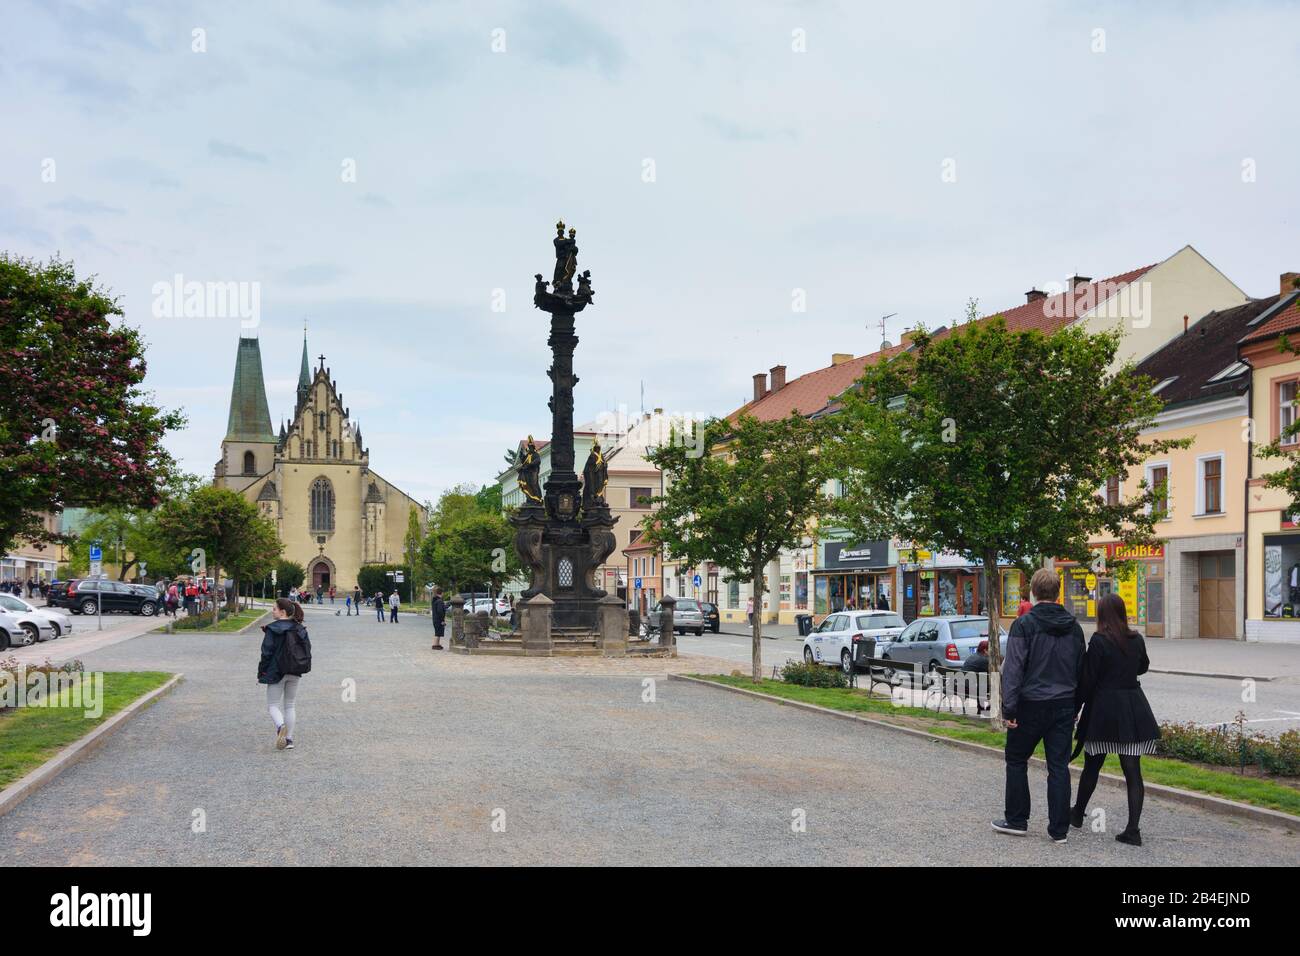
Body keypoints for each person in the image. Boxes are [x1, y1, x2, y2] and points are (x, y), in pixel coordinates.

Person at [992, 567, 1085, 844]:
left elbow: (1013, 670)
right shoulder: (1074, 626)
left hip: (1030, 704)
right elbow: (1082, 669)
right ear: (1059, 592)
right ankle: (1059, 830)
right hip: (1064, 705)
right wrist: (1076, 704)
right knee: (1058, 767)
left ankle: (1017, 819)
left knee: (1017, 759)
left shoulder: (1024, 625)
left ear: (1033, 591)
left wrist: (1009, 709)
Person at [1070, 593, 1160, 846]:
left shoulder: (1099, 641)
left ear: (1101, 614)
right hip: (1132, 708)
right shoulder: (1136, 639)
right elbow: (1143, 666)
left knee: (1092, 766)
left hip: (1103, 710)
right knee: (1133, 771)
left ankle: (1077, 813)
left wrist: (1076, 708)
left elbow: (1088, 679)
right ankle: (1133, 829)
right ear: (1122, 613)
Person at [258, 597, 312, 751]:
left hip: (277, 671)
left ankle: (281, 726)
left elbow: (266, 652)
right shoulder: (300, 628)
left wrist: (262, 671)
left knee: (273, 705)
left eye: (274, 608)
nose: (272, 611)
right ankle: (289, 740)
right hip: (295, 669)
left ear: (282, 612)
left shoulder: (272, 629)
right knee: (290, 705)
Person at [962, 639, 990, 713]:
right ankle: (985, 707)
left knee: (982, 683)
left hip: (961, 686)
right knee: (995, 686)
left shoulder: (972, 656)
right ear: (985, 650)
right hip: (970, 689)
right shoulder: (984, 660)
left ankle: (982, 708)